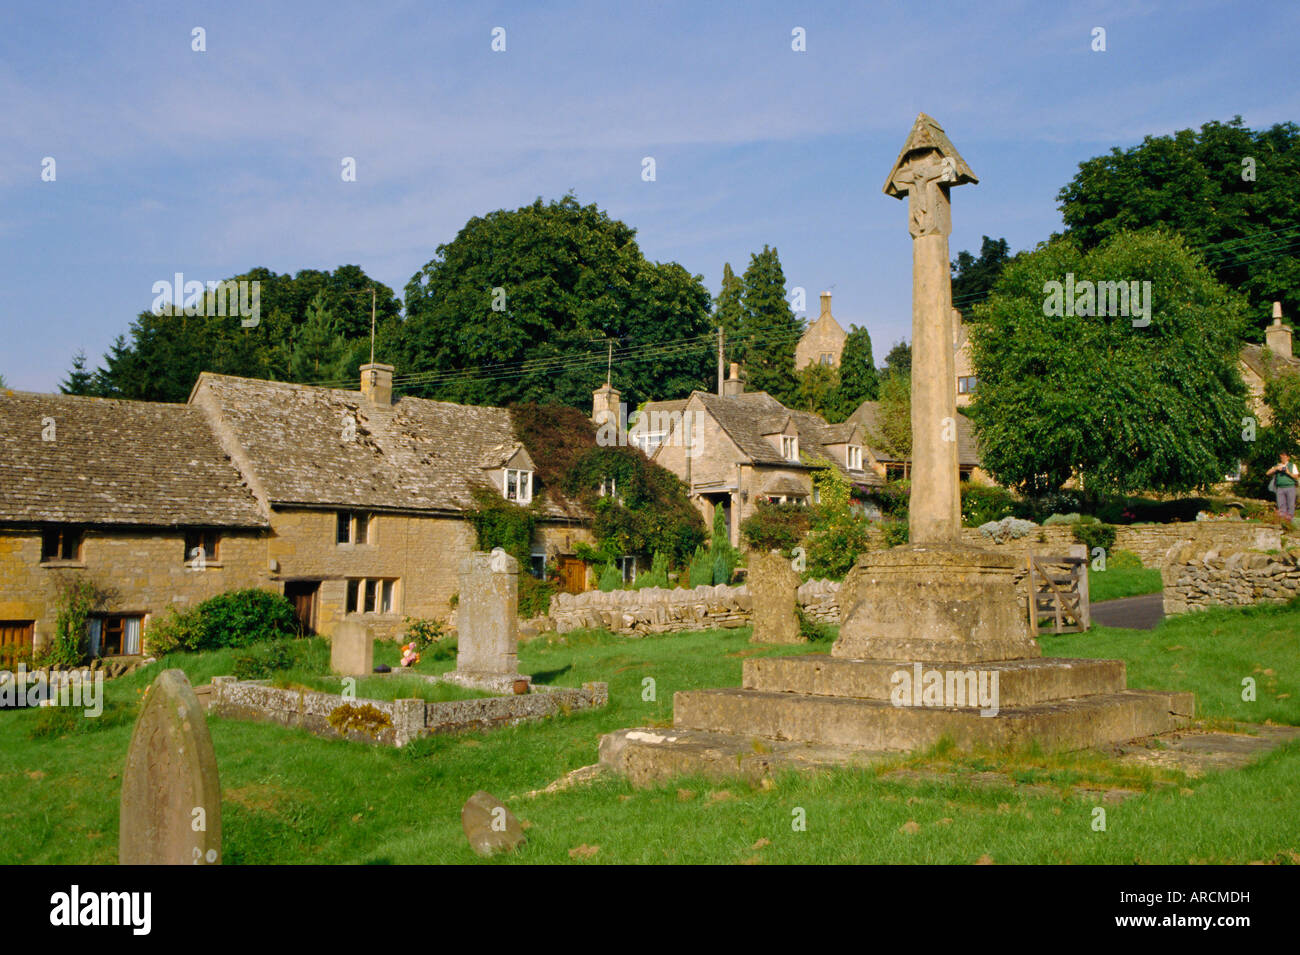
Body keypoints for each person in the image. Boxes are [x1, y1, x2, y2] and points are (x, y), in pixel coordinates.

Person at [1266, 451, 1298, 520]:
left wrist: (1288, 472)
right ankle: (1282, 521)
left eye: (1284, 457)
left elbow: (1296, 476)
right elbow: (1267, 473)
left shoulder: (1292, 465)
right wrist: (1276, 468)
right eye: (1281, 457)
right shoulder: (1277, 465)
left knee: (1290, 505)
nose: (1283, 458)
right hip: (1280, 488)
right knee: (1281, 505)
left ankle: (1289, 521)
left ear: (1288, 458)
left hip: (1290, 487)